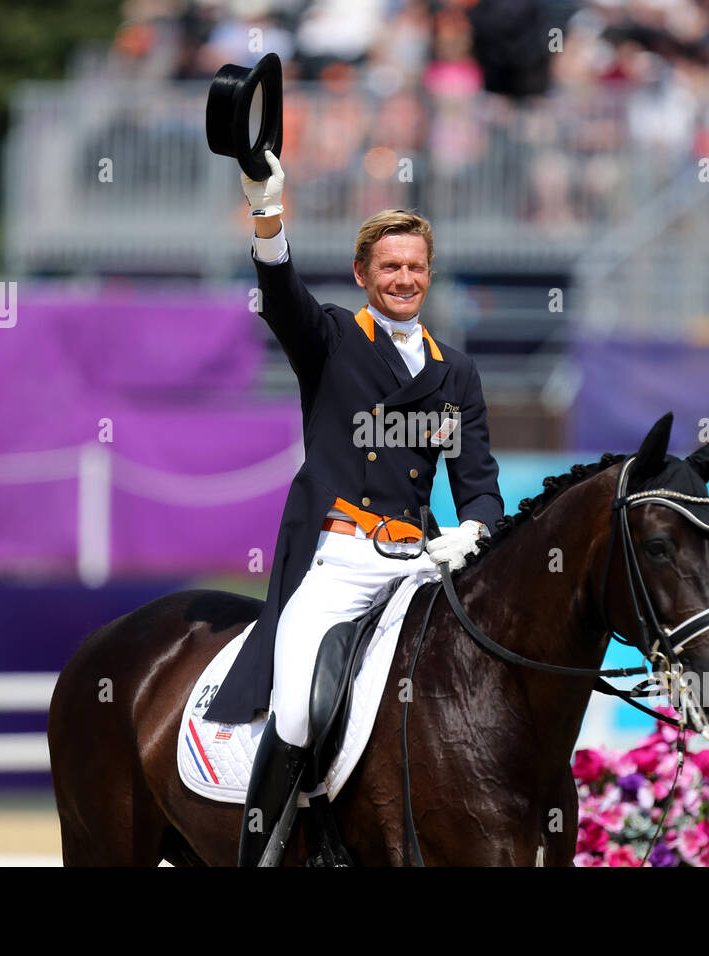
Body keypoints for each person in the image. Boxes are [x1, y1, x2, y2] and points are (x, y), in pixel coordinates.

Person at [201, 150, 504, 866]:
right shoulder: (333, 338)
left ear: (429, 275)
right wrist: (266, 209)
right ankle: (264, 856)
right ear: (365, 274)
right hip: (339, 559)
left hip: (418, 564)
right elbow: (279, 295)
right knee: (303, 708)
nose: (404, 280)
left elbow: (479, 480)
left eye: (416, 268)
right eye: (390, 268)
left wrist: (475, 531)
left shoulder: (454, 372)